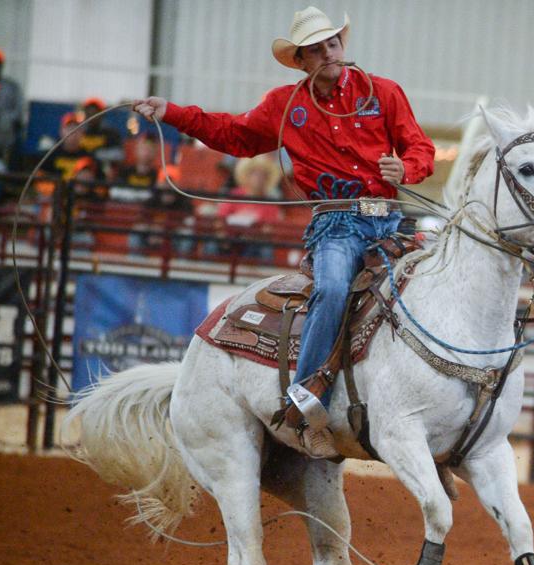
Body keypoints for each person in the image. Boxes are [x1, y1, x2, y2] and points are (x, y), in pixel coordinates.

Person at [133, 6, 435, 457]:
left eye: (332, 44)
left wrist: (407, 167)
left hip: (390, 218)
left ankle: (434, 407)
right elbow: (233, 134)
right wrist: (173, 113)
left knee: (434, 285)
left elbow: (420, 147)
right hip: (337, 224)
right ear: (301, 61)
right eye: (315, 50)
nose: (328, 53)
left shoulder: (384, 93)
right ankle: (304, 398)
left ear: (341, 45)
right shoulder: (284, 105)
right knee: (332, 288)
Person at [0, 48, 24, 170]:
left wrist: (3, 119)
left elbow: (19, 113)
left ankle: (8, 177)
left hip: (5, 130)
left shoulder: (11, 86)